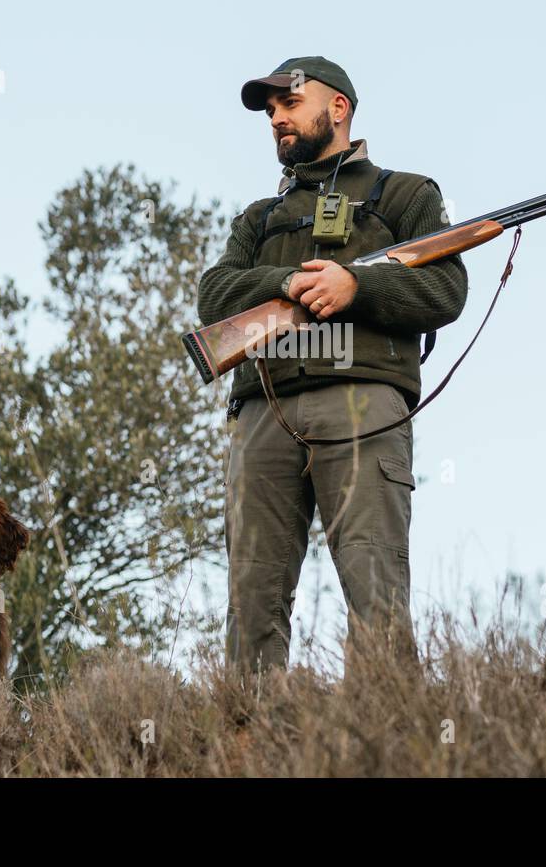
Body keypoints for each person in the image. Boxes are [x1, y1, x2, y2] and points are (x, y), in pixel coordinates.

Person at [196, 56, 468, 676]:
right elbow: (215, 296)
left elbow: (445, 294)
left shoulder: (407, 194)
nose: (276, 119)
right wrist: (288, 281)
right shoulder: (259, 217)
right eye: (270, 112)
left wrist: (358, 288)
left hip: (362, 404)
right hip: (263, 413)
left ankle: (388, 732)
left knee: (376, 584)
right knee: (252, 598)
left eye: (289, 104)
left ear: (338, 108)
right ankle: (249, 736)